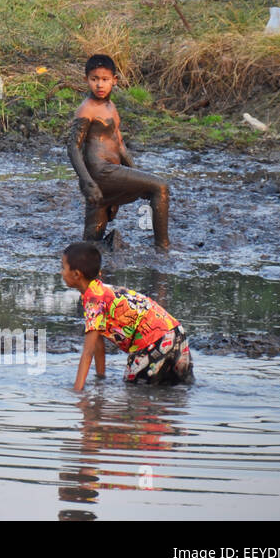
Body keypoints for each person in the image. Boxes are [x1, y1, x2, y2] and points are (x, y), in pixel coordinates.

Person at [67, 54, 171, 250]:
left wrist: (135, 175)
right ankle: (163, 249)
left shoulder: (111, 106)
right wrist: (87, 183)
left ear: (114, 81)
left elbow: (120, 144)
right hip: (101, 173)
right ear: (86, 80)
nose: (99, 85)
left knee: (91, 246)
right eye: (94, 79)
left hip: (110, 176)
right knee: (161, 187)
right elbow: (72, 147)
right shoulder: (86, 109)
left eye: (105, 80)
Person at [62, 241, 194, 391]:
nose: (61, 272)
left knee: (135, 391)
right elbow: (98, 346)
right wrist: (101, 380)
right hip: (175, 331)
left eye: (63, 267)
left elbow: (87, 352)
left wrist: (77, 392)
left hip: (151, 342)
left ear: (76, 274)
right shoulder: (102, 291)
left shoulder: (94, 302)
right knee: (182, 388)